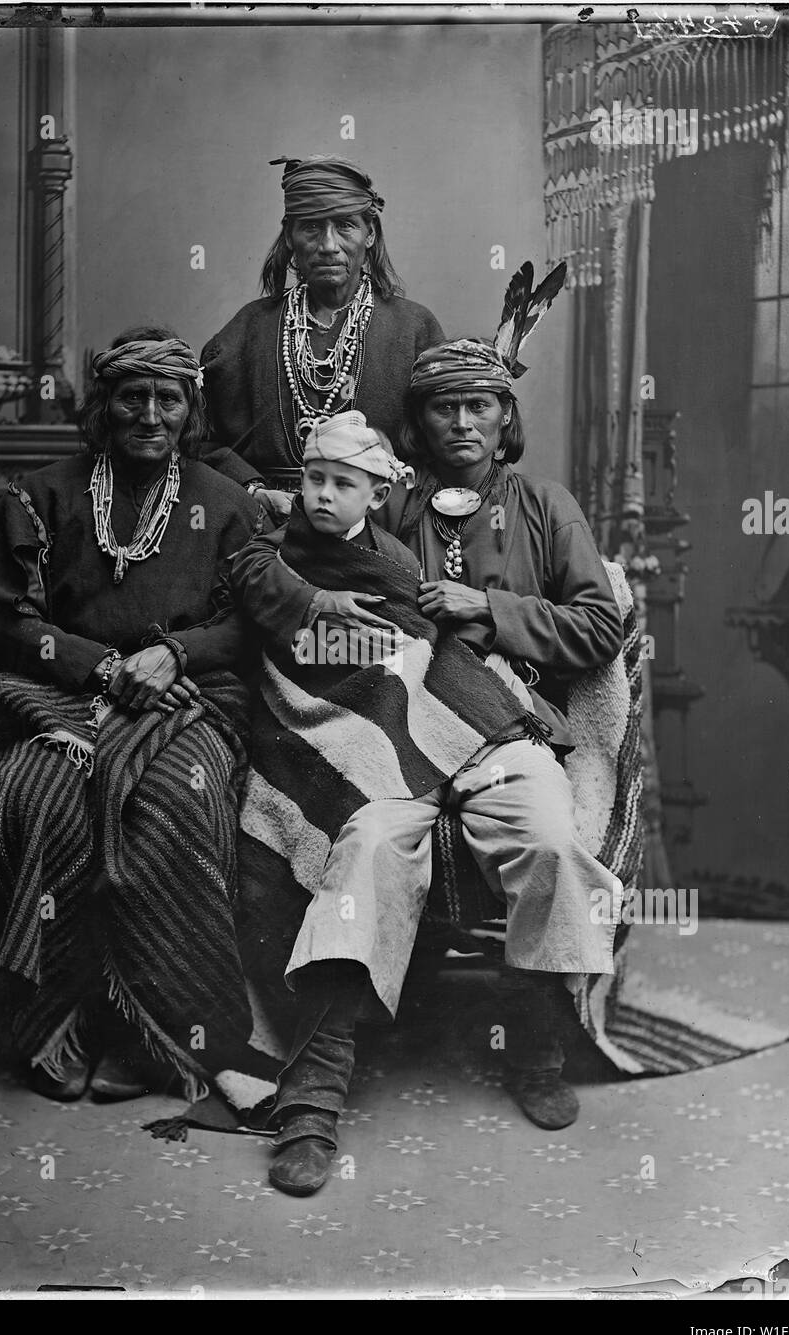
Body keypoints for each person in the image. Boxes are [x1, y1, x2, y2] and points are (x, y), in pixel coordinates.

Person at [233, 340, 626, 1195]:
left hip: (500, 721)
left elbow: (599, 626)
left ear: (503, 418)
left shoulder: (541, 504)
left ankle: (534, 1038)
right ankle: (314, 1095)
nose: (460, 422)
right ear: (416, 426)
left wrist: (490, 607)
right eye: (442, 408)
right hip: (383, 730)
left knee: (549, 838)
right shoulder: (386, 500)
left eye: (477, 406)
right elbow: (299, 533)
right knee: (365, 851)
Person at [0, 327, 264, 1106]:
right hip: (61, 699)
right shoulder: (43, 494)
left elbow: (254, 622)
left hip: (185, 706)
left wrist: (178, 654)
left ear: (190, 410)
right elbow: (3, 620)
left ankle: (151, 1031)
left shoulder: (226, 507)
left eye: (168, 398)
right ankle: (59, 1020)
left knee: (173, 803)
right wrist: (100, 667)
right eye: (133, 397)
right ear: (104, 407)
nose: (150, 414)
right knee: (43, 795)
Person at [200, 155, 444, 517]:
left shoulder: (413, 329)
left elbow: (443, 444)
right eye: (311, 227)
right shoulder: (249, 329)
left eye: (345, 226)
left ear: (370, 233)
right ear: (289, 235)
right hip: (266, 528)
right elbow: (198, 439)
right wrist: (254, 491)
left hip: (381, 526)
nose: (328, 244)